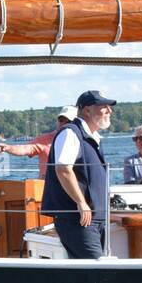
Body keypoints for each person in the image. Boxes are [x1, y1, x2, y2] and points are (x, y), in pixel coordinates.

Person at [41, 89, 115, 259]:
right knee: (95, 269)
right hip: (79, 220)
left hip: (96, 218)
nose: (109, 111)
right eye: (103, 106)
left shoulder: (91, 137)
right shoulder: (70, 133)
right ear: (87, 110)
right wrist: (81, 203)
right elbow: (63, 170)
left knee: (96, 268)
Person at [0, 109, 73, 177]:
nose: (64, 124)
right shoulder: (44, 140)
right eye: (61, 120)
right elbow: (26, 148)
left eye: (69, 121)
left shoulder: (81, 142)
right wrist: (8, 148)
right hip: (47, 187)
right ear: (57, 121)